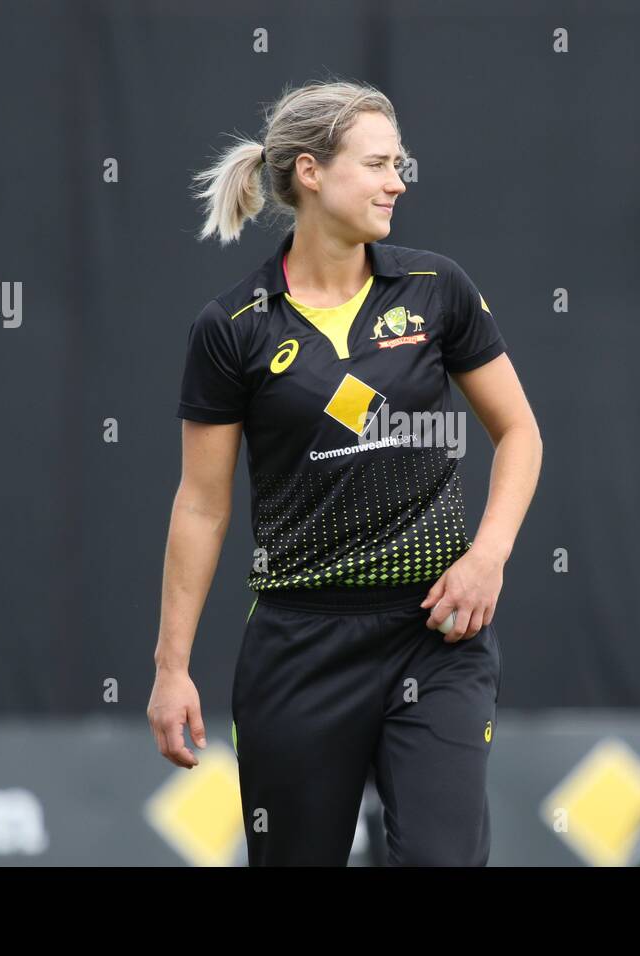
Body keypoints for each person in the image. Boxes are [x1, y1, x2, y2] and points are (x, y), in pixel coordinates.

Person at [147, 79, 542, 866]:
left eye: (401, 164)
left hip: (435, 635)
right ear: (310, 172)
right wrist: (171, 668)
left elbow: (520, 432)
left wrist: (487, 556)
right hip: (300, 648)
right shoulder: (231, 329)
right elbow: (201, 506)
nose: (398, 182)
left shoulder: (436, 289)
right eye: (377, 164)